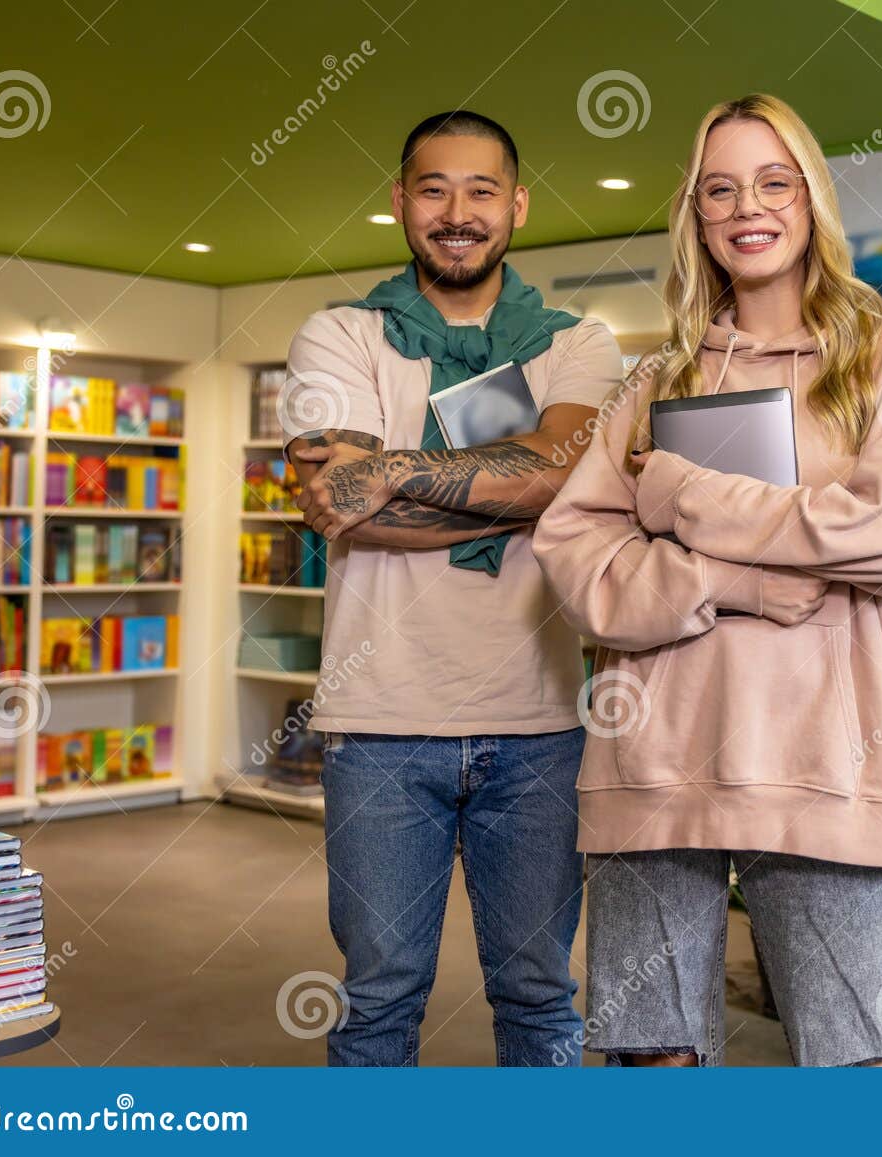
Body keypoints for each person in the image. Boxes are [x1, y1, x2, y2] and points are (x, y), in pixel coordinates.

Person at [532, 93, 882, 1067]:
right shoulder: (656, 380)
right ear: (696, 214)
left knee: (863, 1068)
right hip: (652, 767)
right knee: (654, 1065)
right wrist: (733, 584)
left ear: (810, 198)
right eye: (719, 188)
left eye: (771, 181)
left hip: (817, 767)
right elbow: (575, 555)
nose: (745, 206)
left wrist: (682, 493)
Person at [282, 110, 622, 1066]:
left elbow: (569, 475)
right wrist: (523, 491)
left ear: (516, 205)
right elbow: (338, 503)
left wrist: (393, 469)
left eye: (481, 190)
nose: (457, 212)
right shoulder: (340, 334)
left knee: (542, 1000)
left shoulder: (575, 343)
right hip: (381, 721)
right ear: (400, 203)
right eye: (433, 189)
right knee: (379, 1000)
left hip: (541, 724)